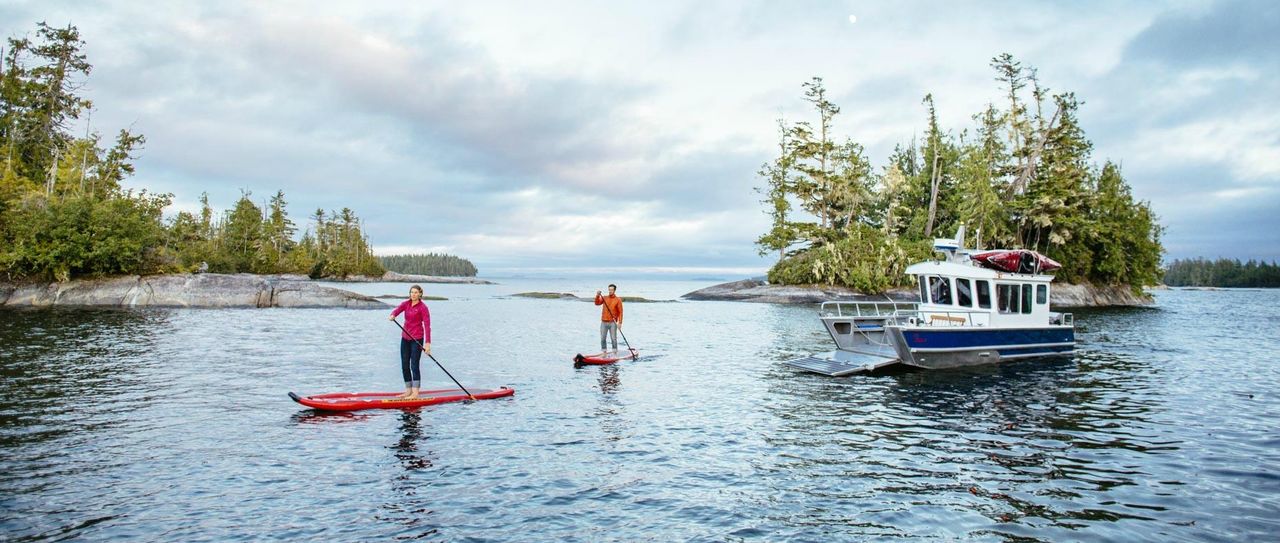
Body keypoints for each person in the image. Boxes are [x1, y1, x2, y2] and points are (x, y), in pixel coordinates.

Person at [388, 284, 431, 399]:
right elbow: (397, 310)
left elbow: (427, 326)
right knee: (404, 364)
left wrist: (427, 343)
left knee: (414, 365)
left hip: (417, 339)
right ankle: (408, 391)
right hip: (405, 338)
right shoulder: (406, 304)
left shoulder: (423, 307)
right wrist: (393, 315)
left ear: (420, 294)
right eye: (412, 292)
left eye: (416, 292)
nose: (413, 294)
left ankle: (415, 392)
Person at [594, 284, 623, 354]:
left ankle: (615, 352)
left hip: (613, 322)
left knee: (613, 338)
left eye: (612, 290)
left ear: (614, 290)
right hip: (603, 322)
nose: (610, 291)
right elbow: (597, 303)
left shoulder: (618, 300)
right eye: (609, 290)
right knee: (603, 338)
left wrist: (620, 322)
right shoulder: (604, 298)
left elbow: (620, 312)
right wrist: (597, 295)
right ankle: (604, 352)